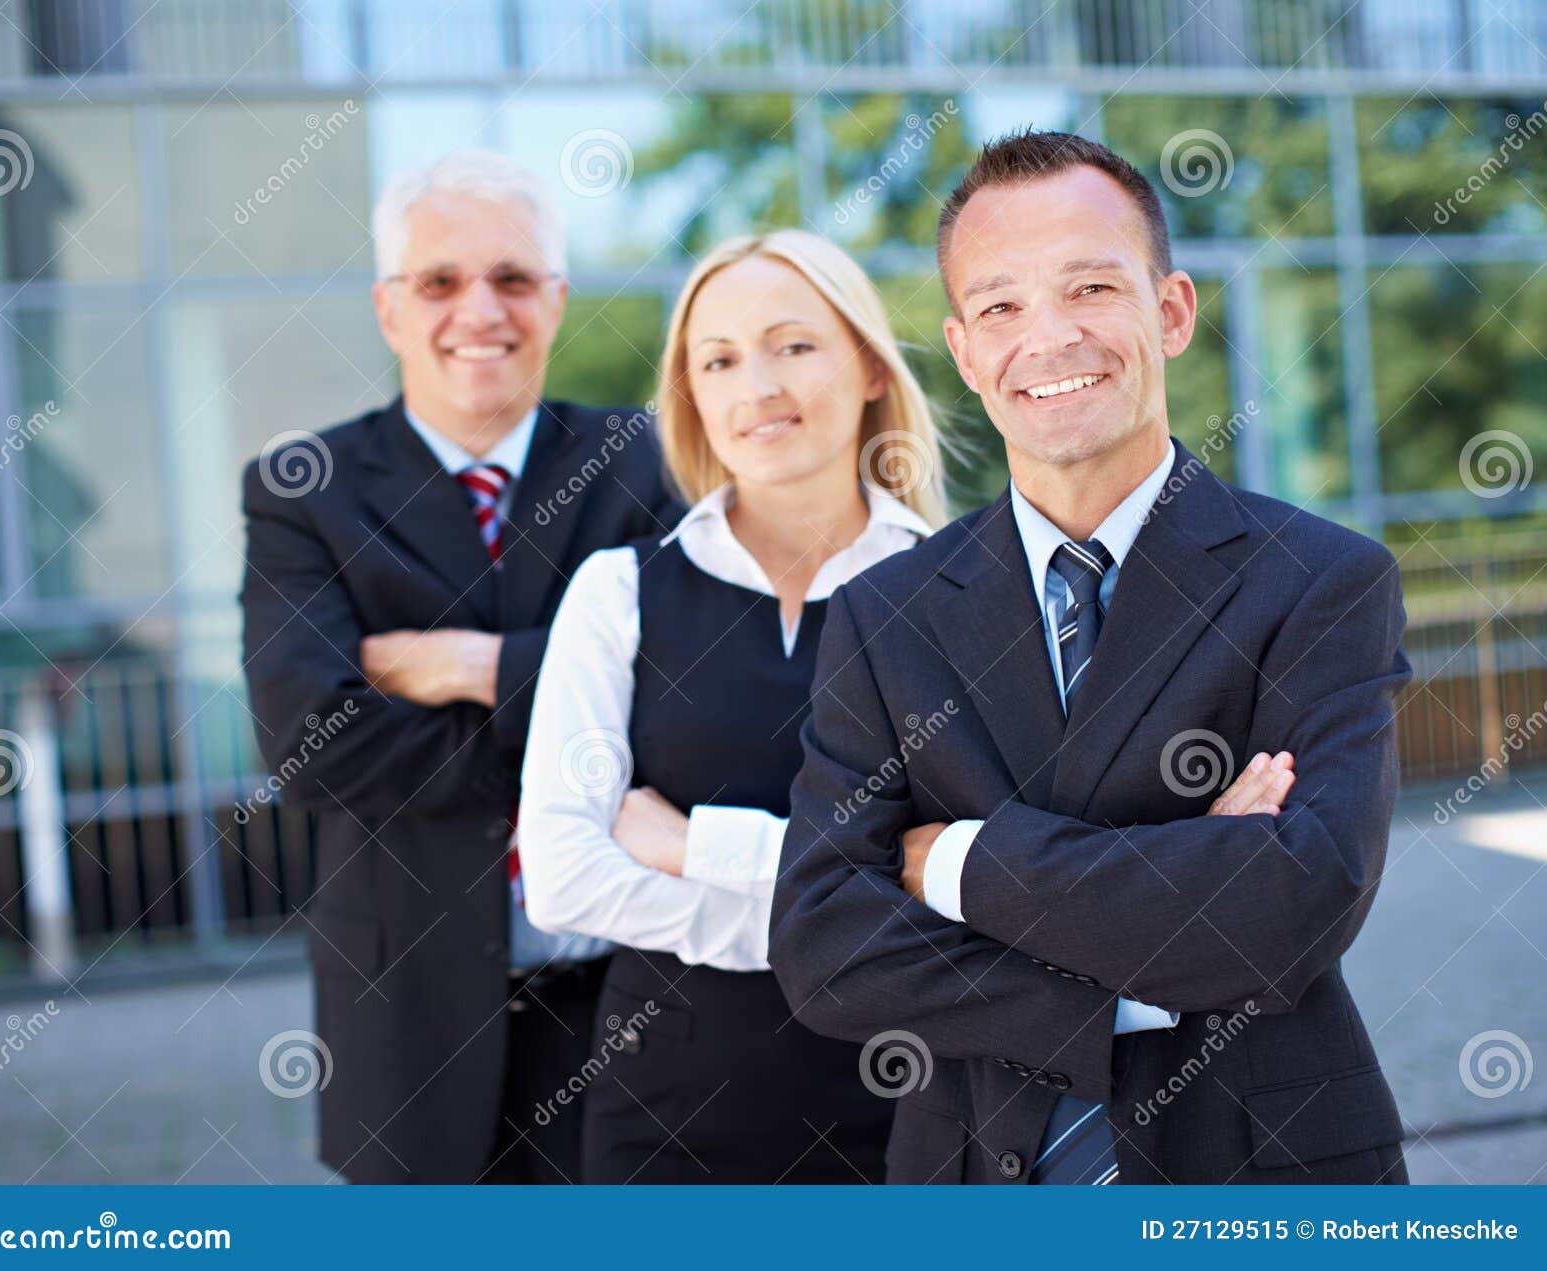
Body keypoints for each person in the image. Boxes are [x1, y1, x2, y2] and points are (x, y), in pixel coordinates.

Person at [770, 129, 1412, 1185]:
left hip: (1262, 1171)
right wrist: (1150, 946)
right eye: (1000, 307)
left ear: (1170, 313)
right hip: (980, 1178)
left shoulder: (1318, 580)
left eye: (1090, 288)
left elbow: (1294, 904)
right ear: (966, 352)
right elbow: (827, 947)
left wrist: (958, 865)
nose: (1049, 337)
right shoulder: (885, 615)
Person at [239, 150, 680, 1184]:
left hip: (634, 1002)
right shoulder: (306, 491)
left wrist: (477, 665)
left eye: (513, 279)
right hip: (411, 1023)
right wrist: (581, 715)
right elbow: (309, 742)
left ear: (557, 300)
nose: (479, 310)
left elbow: (697, 701)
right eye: (440, 282)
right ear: (392, 310)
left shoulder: (647, 462)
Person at [517, 229, 944, 1183]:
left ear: (871, 364)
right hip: (664, 1120)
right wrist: (837, 911)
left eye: (794, 344)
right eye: (719, 360)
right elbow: (561, 878)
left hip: (912, 1111)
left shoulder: (958, 590)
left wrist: (691, 847)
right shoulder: (618, 590)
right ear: (694, 397)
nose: (758, 385)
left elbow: (968, 880)